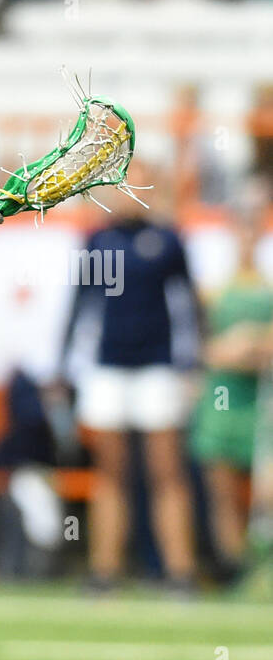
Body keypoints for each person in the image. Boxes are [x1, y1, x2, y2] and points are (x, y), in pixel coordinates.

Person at [60, 162, 203, 596]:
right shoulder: (99, 241)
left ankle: (180, 572)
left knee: (166, 473)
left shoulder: (167, 241)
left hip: (157, 368)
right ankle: (105, 571)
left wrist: (193, 367)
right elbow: (79, 306)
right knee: (111, 474)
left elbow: (189, 307)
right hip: (109, 368)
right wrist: (63, 365)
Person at [190, 187, 273, 584]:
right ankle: (234, 571)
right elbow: (200, 344)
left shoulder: (267, 281)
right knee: (221, 491)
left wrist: (253, 344)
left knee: (266, 491)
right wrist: (226, 352)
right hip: (222, 397)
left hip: (263, 400)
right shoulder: (213, 283)